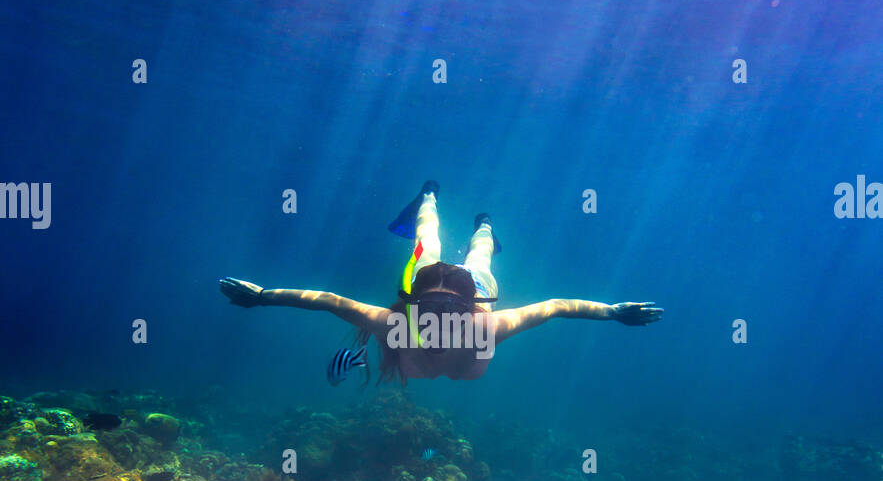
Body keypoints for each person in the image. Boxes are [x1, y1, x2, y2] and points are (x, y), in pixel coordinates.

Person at [220, 181, 662, 383]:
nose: (439, 327)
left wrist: (611, 312)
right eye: (431, 315)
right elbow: (329, 300)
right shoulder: (407, 323)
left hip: (469, 282)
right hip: (431, 282)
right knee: (425, 239)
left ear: (468, 311)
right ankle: (428, 197)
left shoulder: (481, 325)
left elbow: (556, 306)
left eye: (448, 316)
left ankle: (483, 223)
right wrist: (261, 298)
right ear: (413, 307)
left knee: (478, 252)